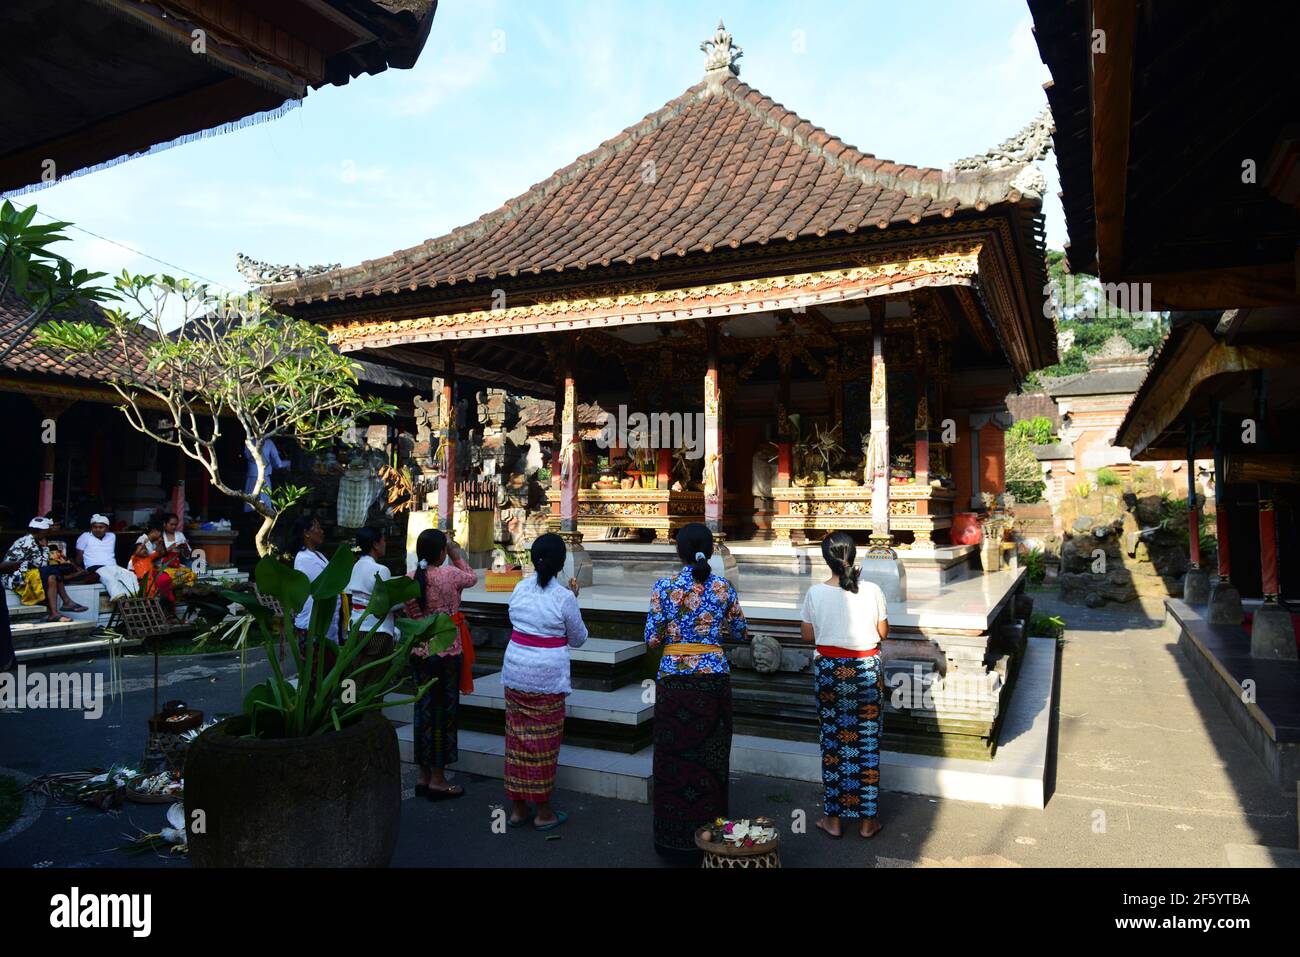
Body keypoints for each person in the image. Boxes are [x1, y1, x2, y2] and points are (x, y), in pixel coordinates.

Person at [643, 522, 748, 863]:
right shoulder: (722, 588)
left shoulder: (664, 587)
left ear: (679, 552)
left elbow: (652, 640)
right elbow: (739, 631)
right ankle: (712, 839)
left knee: (672, 756)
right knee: (712, 758)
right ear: (711, 550)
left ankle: (672, 841)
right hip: (714, 681)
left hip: (674, 680)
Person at [800, 530, 888, 840]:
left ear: (826, 560)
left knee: (833, 745)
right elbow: (883, 631)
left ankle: (834, 820)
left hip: (830, 674)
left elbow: (808, 636)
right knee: (866, 745)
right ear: (855, 554)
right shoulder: (873, 590)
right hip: (865, 671)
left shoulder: (815, 593)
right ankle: (867, 822)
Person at [502, 532, 588, 830]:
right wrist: (572, 601)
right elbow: (578, 639)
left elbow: (515, 618)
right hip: (547, 680)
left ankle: (517, 809)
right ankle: (543, 812)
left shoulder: (519, 588)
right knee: (544, 745)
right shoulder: (564, 598)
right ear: (561, 563)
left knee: (516, 741)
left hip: (516, 672)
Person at [403, 529, 477, 800]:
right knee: (443, 714)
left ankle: (423, 775)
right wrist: (457, 555)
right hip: (446, 650)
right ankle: (438, 777)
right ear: (441, 552)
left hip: (420, 650)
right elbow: (472, 577)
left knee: (422, 711)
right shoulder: (449, 574)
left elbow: (408, 611)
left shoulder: (410, 579)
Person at [2, 517, 90, 623]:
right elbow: (41, 564)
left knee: (52, 576)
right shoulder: (27, 542)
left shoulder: (43, 541)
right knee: (51, 572)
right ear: (41, 531)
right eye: (48, 530)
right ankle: (66, 602)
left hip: (34, 573)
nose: (50, 531)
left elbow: (57, 560)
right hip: (15, 576)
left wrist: (76, 570)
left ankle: (54, 613)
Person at [345, 527, 397, 689]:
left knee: (354, 674)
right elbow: (387, 603)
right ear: (375, 544)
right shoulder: (381, 570)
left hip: (355, 627)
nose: (385, 544)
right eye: (383, 540)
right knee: (374, 680)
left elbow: (348, 593)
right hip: (378, 630)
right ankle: (368, 711)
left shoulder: (355, 566)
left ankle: (348, 706)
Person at [291, 515, 339, 644]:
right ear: (306, 533)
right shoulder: (304, 558)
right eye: (317, 528)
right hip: (313, 621)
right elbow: (324, 585)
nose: (321, 531)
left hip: (325, 619)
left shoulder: (318, 555)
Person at [74, 514, 139, 601]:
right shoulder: (85, 536)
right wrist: (78, 568)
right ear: (91, 527)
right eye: (95, 527)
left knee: (129, 575)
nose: (97, 529)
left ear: (107, 528)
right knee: (109, 578)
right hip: (95, 567)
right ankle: (121, 599)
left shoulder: (111, 536)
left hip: (112, 566)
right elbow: (79, 556)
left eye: (101, 527)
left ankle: (135, 598)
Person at [131, 520, 179, 622]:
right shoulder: (143, 539)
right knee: (161, 580)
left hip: (151, 569)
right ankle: (157, 611)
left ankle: (167, 611)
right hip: (140, 572)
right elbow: (138, 553)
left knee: (166, 579)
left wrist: (160, 543)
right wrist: (149, 539)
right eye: (159, 532)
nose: (160, 534)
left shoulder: (156, 540)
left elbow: (159, 554)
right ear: (154, 531)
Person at [243, 438, 290, 512]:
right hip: (263, 477)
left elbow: (247, 456)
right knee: (265, 508)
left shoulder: (249, 441)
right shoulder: (268, 442)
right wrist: (288, 463)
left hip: (252, 476)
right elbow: (279, 464)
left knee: (250, 505)